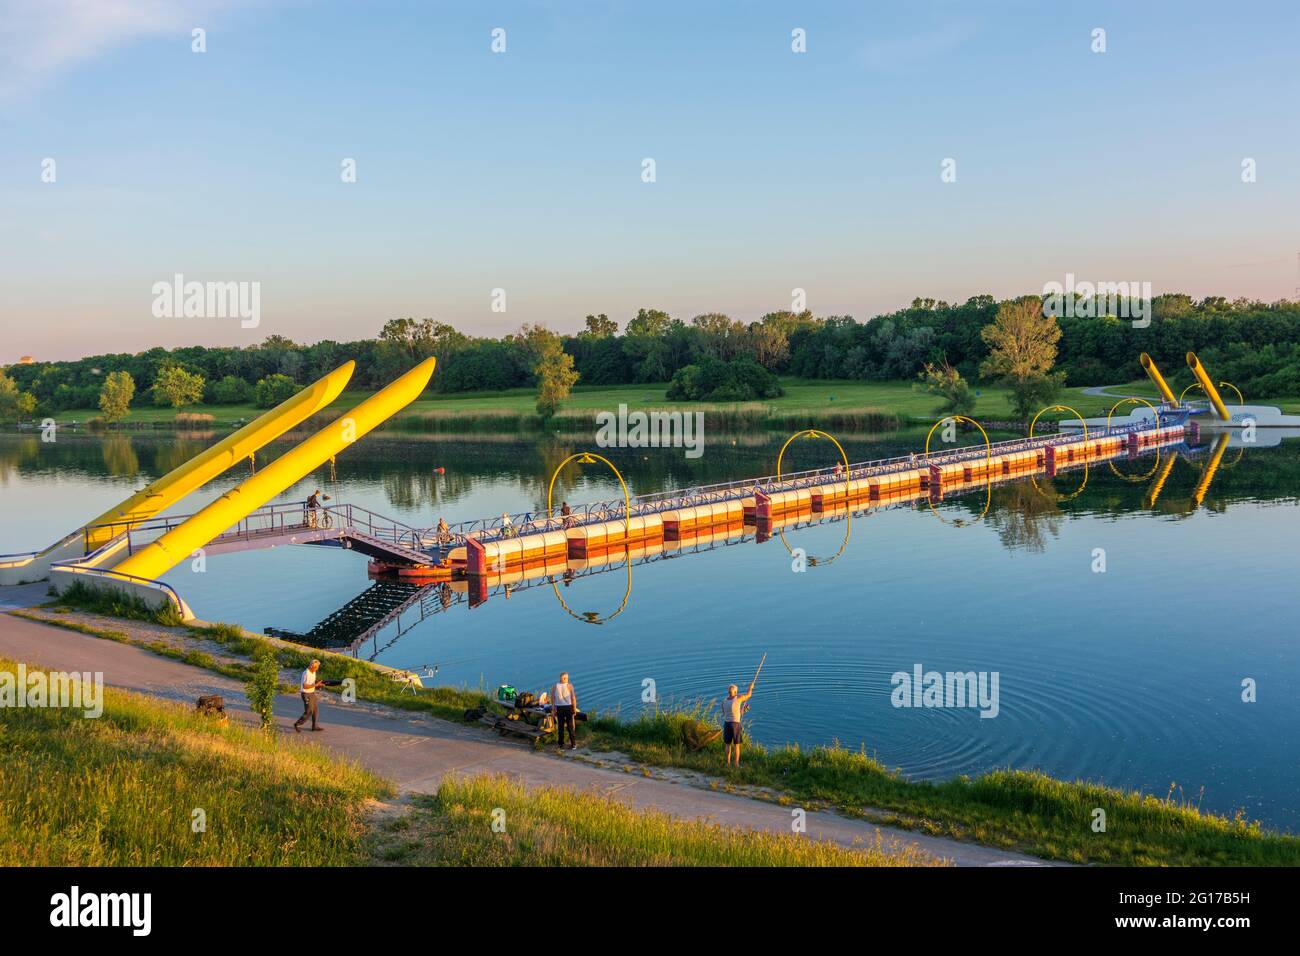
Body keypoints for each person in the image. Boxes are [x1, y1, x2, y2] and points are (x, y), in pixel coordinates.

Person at [721, 678, 756, 767]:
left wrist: (740, 711)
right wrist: (750, 687)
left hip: (727, 724)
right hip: (735, 725)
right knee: (737, 746)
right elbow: (748, 695)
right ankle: (736, 764)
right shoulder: (738, 698)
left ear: (729, 692)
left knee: (727, 745)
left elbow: (725, 713)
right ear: (735, 692)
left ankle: (728, 764)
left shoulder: (723, 701)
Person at [550, 671, 578, 750]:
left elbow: (552, 698)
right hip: (568, 707)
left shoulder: (555, 686)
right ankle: (573, 744)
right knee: (570, 726)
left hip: (559, 708)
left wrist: (553, 709)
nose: (566, 679)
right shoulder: (570, 686)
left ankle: (561, 745)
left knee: (560, 727)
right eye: (566, 678)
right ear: (562, 678)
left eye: (567, 678)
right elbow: (573, 698)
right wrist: (574, 708)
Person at [294, 659, 325, 732]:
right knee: (309, 711)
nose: (317, 669)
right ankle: (297, 724)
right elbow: (305, 686)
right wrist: (315, 685)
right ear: (312, 666)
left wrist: (318, 684)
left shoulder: (313, 672)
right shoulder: (306, 673)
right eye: (316, 667)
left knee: (315, 710)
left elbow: (312, 682)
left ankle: (314, 726)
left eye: (317, 667)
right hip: (306, 694)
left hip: (312, 693)